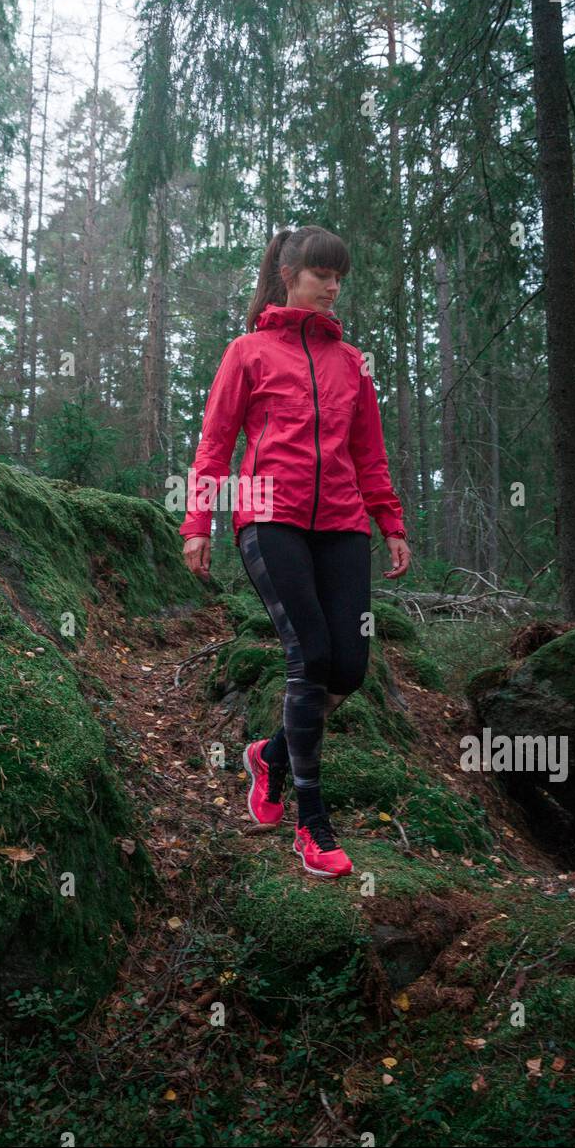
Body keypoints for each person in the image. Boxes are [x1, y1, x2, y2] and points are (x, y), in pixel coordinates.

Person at [179, 225, 411, 878]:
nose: (334, 286)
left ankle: (271, 755)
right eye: (322, 274)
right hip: (267, 517)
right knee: (308, 656)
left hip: (341, 522)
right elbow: (216, 443)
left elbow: (369, 451)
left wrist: (388, 520)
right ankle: (312, 824)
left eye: (340, 276)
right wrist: (199, 520)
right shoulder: (248, 352)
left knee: (350, 669)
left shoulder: (352, 362)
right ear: (289, 274)